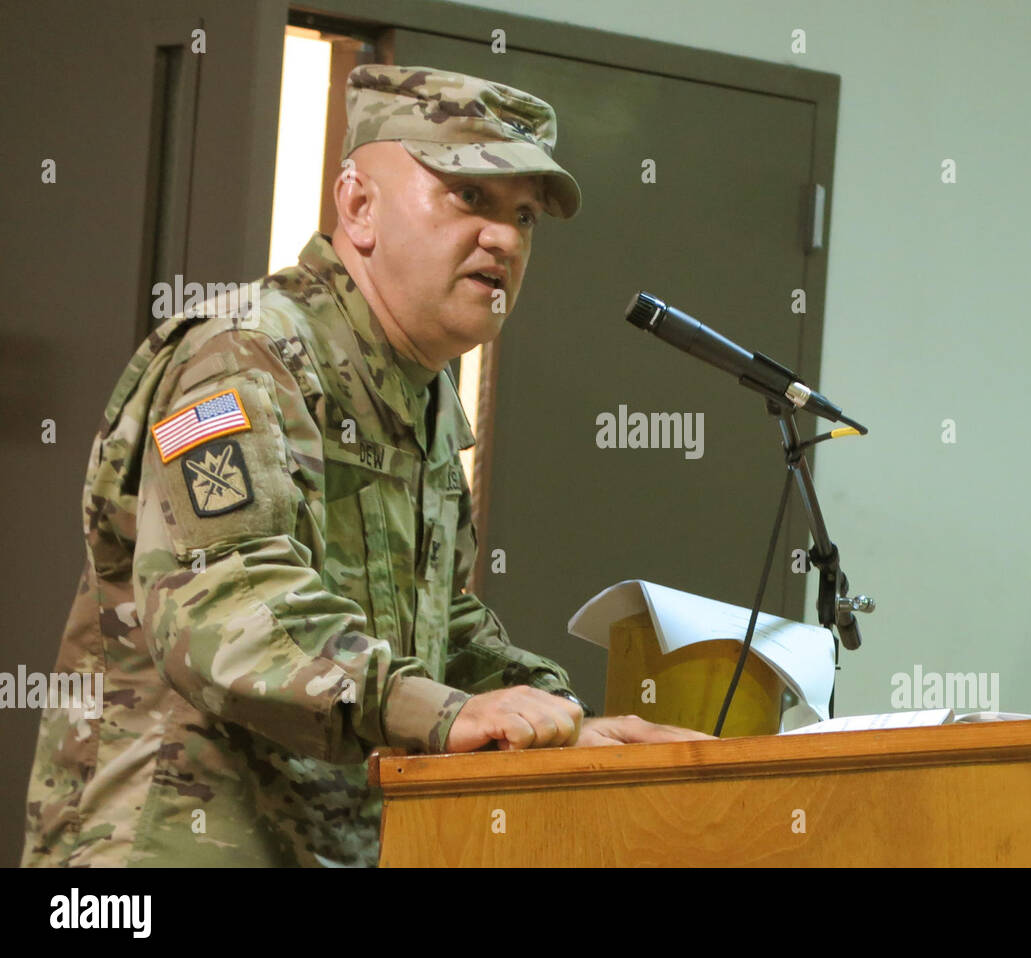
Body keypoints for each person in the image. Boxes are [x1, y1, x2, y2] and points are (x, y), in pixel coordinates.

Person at [21, 64, 711, 868]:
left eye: (525, 216)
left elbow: (436, 628)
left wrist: (562, 722)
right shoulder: (244, 354)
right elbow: (225, 608)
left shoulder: (419, 395)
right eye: (469, 197)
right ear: (357, 206)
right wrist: (444, 713)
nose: (506, 238)